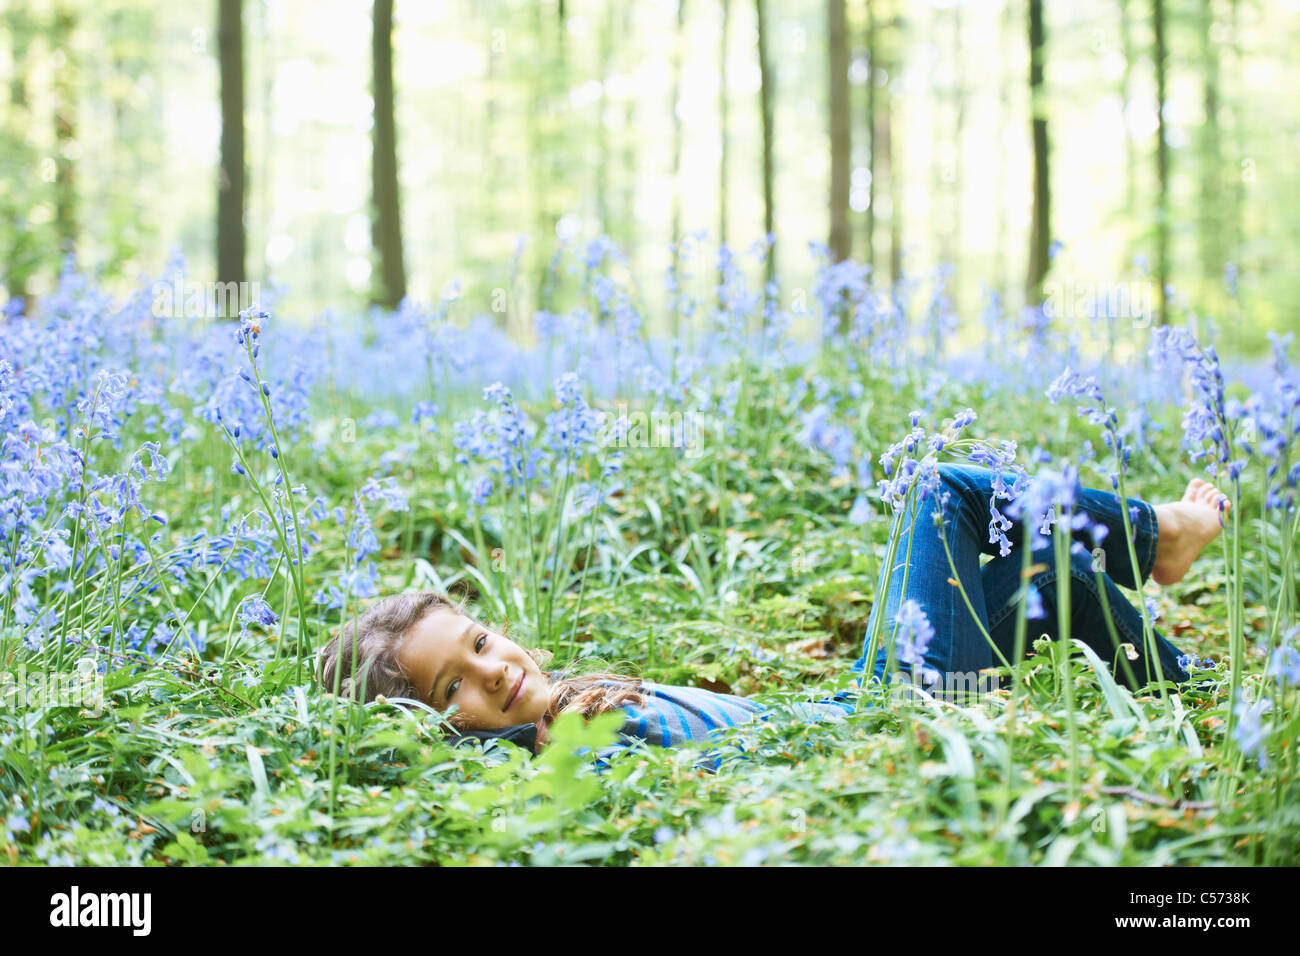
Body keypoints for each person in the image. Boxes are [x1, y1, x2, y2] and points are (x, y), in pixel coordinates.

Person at [316, 462, 1228, 763]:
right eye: (453, 689)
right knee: (936, 489)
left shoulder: (567, 707)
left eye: (478, 642)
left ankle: (1190, 691)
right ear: (428, 729)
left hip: (867, 692)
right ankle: (1161, 534)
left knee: (1048, 565)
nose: (494, 669)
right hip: (895, 712)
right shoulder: (565, 745)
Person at [851, 462, 1230, 696]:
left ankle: (1203, 690)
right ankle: (1156, 533)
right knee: (940, 488)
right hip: (901, 700)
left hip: (894, 687)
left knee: (1056, 565)